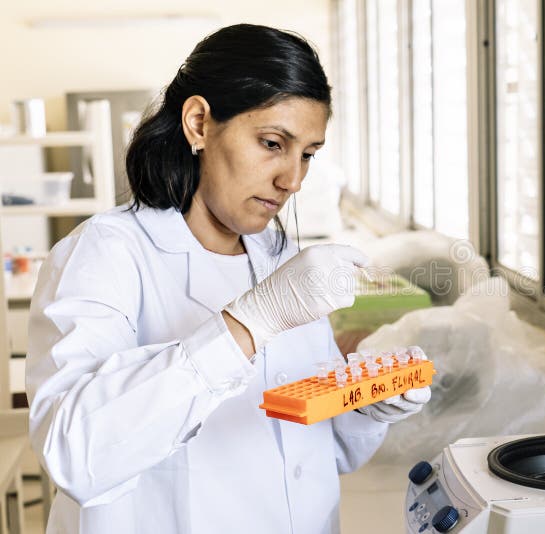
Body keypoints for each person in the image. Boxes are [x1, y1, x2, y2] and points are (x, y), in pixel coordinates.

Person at [25, 24, 430, 534]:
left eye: (307, 153)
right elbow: (74, 453)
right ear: (198, 123)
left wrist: (367, 405)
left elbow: (317, 448)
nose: (293, 180)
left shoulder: (281, 257)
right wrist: (248, 323)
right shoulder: (105, 254)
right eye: (272, 143)